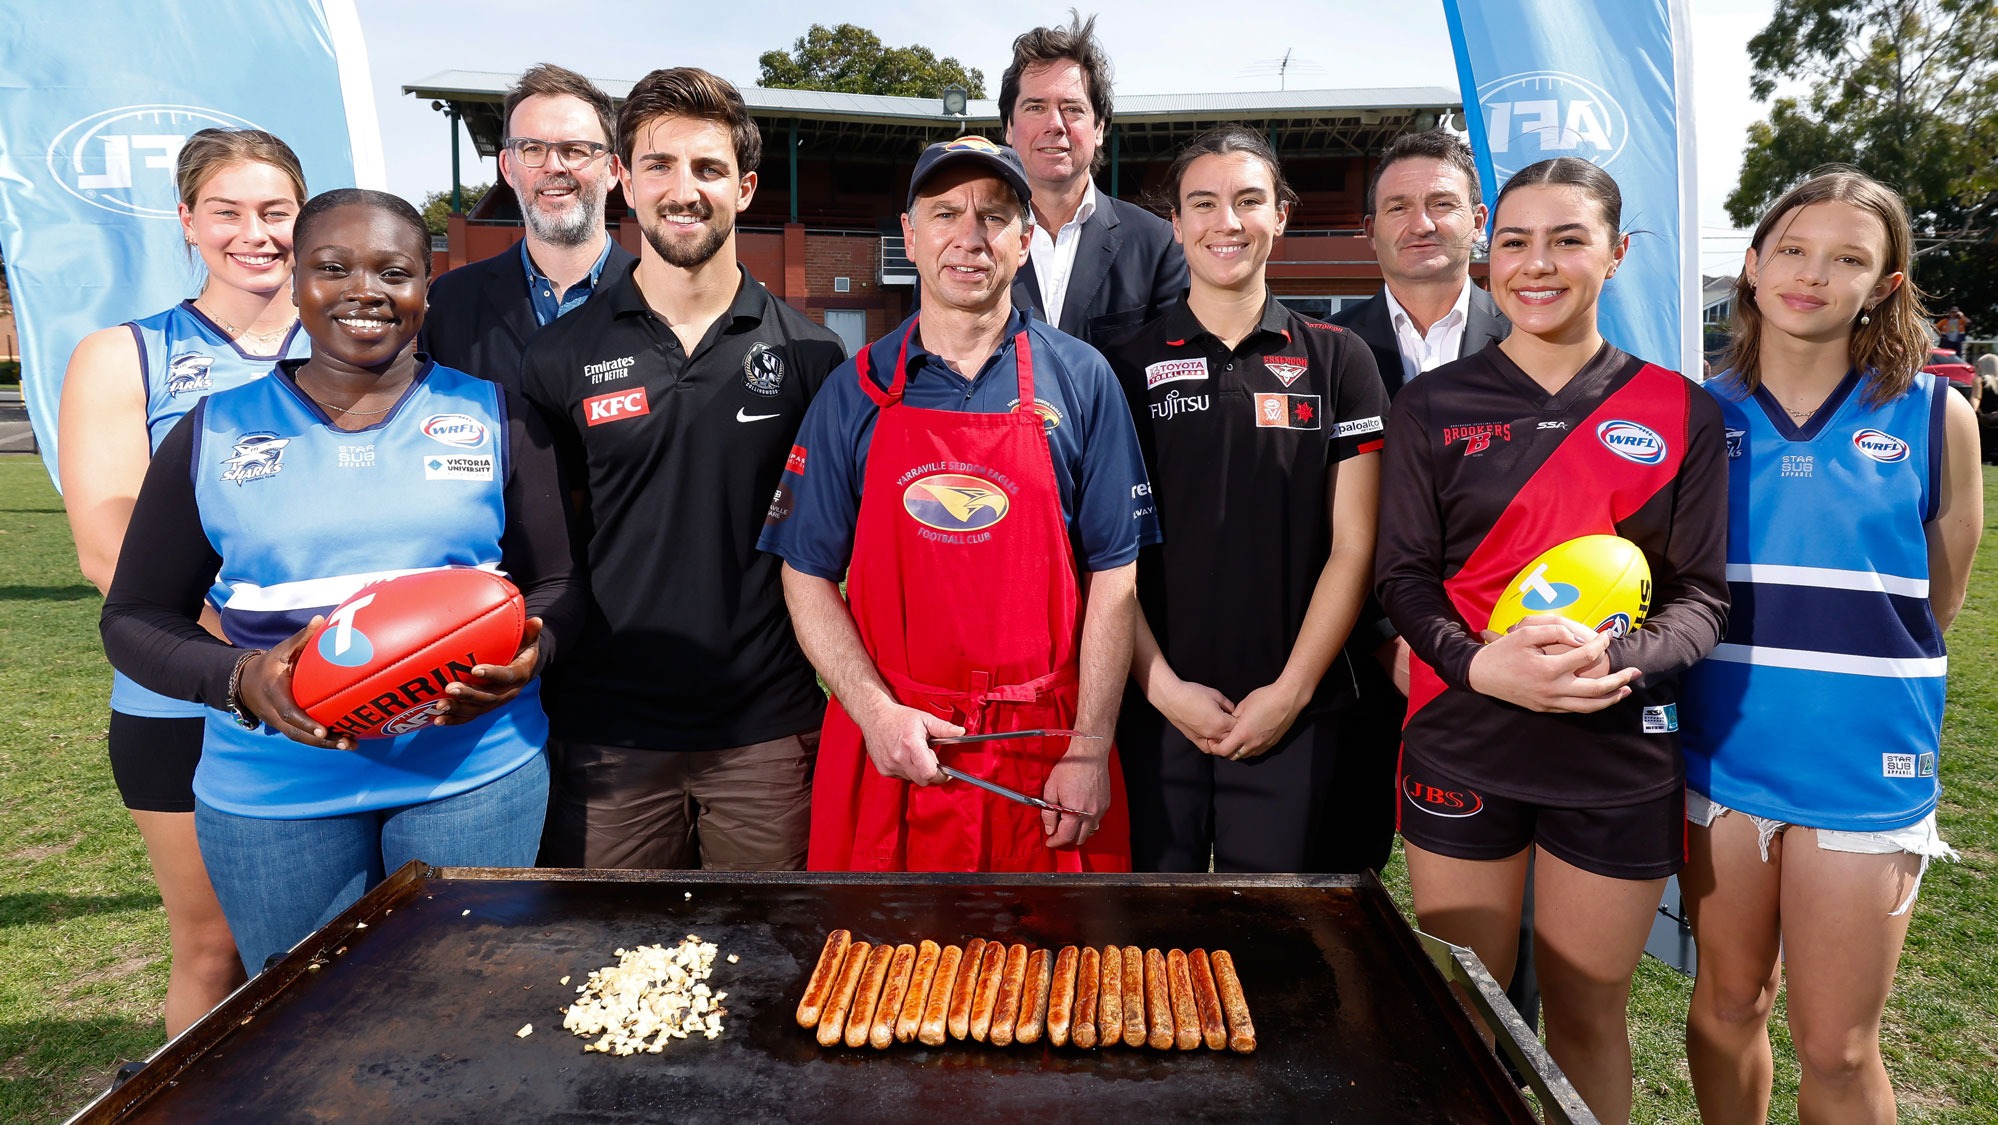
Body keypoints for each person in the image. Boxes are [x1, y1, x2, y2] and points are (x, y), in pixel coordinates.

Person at [100, 188, 580, 973]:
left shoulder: (498, 416)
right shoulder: (212, 429)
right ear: (296, 280)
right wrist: (240, 678)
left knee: (463, 1004)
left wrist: (534, 648)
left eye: (395, 271)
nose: (365, 290)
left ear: (428, 287)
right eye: (333, 267)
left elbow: (560, 582)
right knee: (313, 1021)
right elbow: (135, 617)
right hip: (276, 788)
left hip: (472, 770)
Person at [1374, 157, 1728, 1124]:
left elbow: (1701, 599)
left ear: (1616, 254)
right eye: (1517, 240)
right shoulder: (1432, 407)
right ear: (1490, 253)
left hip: (1613, 756)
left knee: (1585, 1013)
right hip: (1462, 736)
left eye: (1569, 239)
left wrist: (1607, 663)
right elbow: (1402, 579)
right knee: (1461, 1007)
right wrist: (1482, 662)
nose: (1538, 264)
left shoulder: (1680, 410)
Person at [760, 136, 1160, 872]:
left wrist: (1092, 746)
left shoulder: (1083, 380)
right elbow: (805, 572)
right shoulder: (855, 389)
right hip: (896, 751)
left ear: (1026, 238)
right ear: (910, 235)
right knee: (882, 976)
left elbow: (1116, 573)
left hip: (1044, 759)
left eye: (995, 215)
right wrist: (875, 712)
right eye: (945, 214)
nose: (969, 237)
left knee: (1050, 980)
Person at [1680, 168, 1981, 1125]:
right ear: (1755, 265)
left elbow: (1938, 601)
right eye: (1795, 249)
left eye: (1850, 257)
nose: (1814, 274)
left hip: (1864, 767)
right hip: (1720, 759)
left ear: (1885, 284)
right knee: (1728, 1008)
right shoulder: (1692, 414)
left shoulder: (1938, 417)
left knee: (1839, 1048)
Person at [518, 68, 847, 871]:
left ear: (745, 187)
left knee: (770, 969)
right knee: (611, 974)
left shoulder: (812, 356)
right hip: (609, 733)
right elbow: (545, 555)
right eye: (659, 165)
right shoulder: (561, 355)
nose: (683, 190)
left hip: (766, 731)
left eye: (707, 169)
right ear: (624, 181)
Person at [58, 128, 310, 1033]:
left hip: (346, 691)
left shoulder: (361, 345)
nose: (257, 232)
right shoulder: (126, 354)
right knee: (216, 946)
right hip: (187, 705)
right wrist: (248, 660)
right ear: (187, 222)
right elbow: (108, 544)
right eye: (228, 211)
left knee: (339, 943)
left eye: (276, 211)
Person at [1103, 126, 1386, 873]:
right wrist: (1161, 686)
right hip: (1155, 710)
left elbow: (1355, 545)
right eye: (1203, 203)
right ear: (1175, 224)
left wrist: (1291, 693)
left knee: (1278, 952)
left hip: (1293, 713)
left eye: (1248, 200)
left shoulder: (1338, 358)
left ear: (1281, 215)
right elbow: (1103, 554)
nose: (1225, 222)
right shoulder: (1121, 367)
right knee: (1151, 953)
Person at [1329, 127, 1536, 1026]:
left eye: (1442, 203)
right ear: (1369, 229)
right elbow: (1311, 528)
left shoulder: (1536, 343)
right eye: (1399, 206)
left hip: (1502, 682)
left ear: (1478, 221)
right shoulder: (1320, 350)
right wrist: (1389, 646)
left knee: (1498, 951)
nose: (1422, 223)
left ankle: (1496, 1082)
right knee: (1345, 916)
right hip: (1364, 681)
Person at [420, 64, 635, 387]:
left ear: (613, 170)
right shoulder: (450, 304)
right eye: (532, 149)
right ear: (507, 167)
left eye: (575, 149)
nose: (554, 166)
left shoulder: (662, 302)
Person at [1000, 14, 1186, 346]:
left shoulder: (1157, 246)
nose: (1055, 124)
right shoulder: (965, 243)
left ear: (1099, 128)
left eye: (1072, 108)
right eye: (1035, 107)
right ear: (1009, 128)